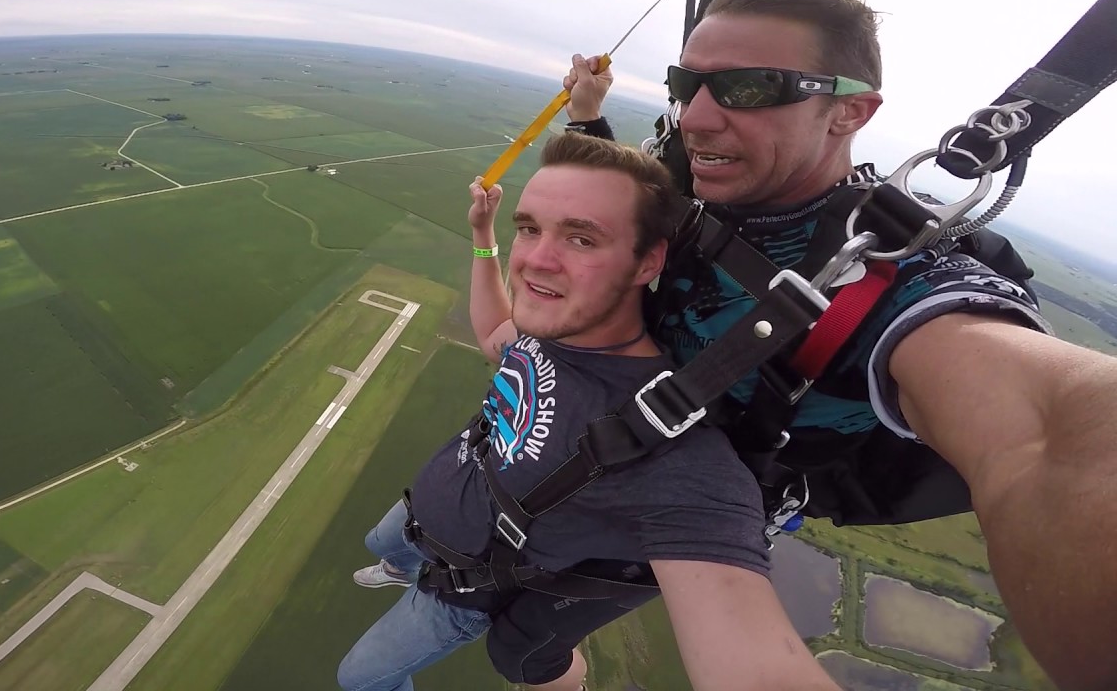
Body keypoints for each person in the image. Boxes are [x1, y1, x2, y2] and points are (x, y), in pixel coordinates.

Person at [562, 0, 1117, 689]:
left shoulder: (893, 281)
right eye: (687, 82)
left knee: (536, 631)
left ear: (850, 111)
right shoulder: (684, 186)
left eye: (751, 87)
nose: (696, 117)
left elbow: (1046, 434)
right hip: (571, 441)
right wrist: (586, 114)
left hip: (673, 518)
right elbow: (605, 201)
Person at [337, 132, 840, 691]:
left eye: (581, 239)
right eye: (529, 228)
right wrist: (484, 235)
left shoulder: (671, 452)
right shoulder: (553, 333)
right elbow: (490, 331)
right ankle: (396, 568)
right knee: (380, 546)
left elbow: (754, 663)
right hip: (415, 522)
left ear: (647, 263)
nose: (535, 260)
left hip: (460, 589)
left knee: (359, 678)